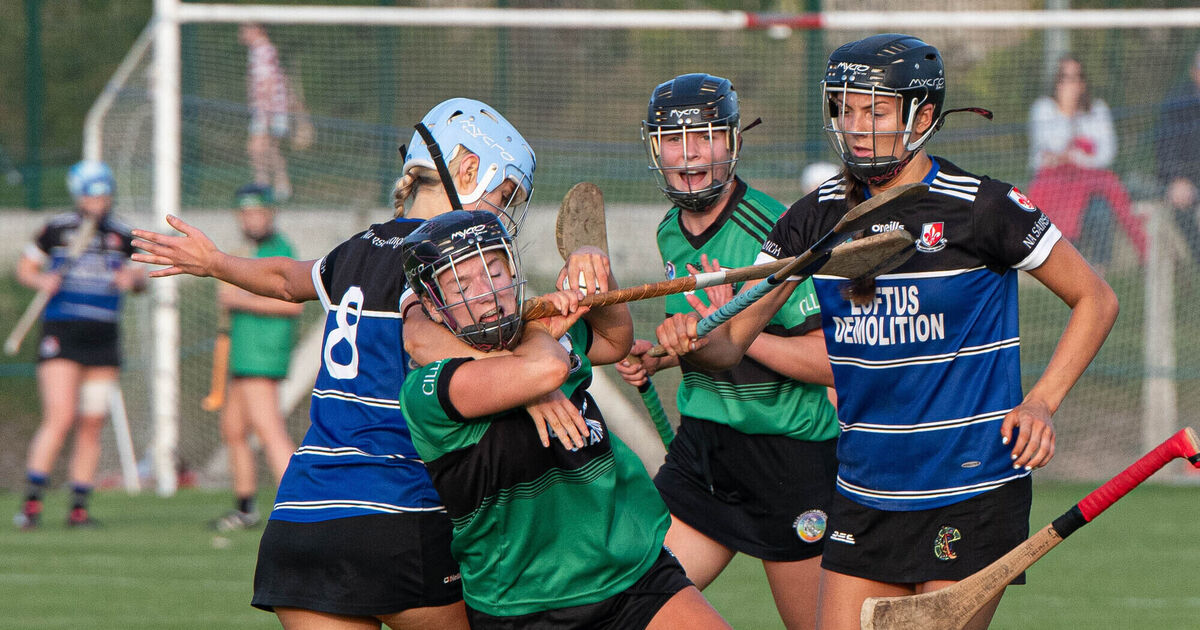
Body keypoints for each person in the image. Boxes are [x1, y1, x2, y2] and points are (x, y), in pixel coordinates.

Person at [653, 34, 1119, 630]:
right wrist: (696, 335)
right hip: (864, 491)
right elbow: (731, 343)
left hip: (969, 488)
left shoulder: (982, 207)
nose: (855, 127)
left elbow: (1095, 299)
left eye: (874, 111)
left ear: (922, 116)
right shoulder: (814, 219)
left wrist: (1042, 402)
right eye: (846, 109)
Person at [131, 98, 536, 629]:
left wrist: (215, 264)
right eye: (504, 195)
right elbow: (475, 360)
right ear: (466, 168)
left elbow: (285, 281)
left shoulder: (357, 248)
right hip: (398, 511)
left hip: (302, 520)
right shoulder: (448, 263)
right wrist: (541, 378)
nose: (502, 214)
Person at [398, 209, 730, 629]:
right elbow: (544, 372)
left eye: (495, 273)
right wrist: (539, 330)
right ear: (432, 303)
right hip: (526, 605)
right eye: (461, 285)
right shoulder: (431, 388)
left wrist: (595, 268)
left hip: (634, 573)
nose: (486, 293)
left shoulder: (548, 340)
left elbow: (615, 339)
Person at [613, 72, 839, 630]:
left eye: (705, 137)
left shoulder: (777, 231)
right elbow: (696, 335)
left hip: (786, 458)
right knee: (629, 604)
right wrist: (660, 353)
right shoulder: (670, 230)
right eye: (672, 139)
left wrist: (739, 327)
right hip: (704, 451)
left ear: (733, 142)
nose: (688, 157)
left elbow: (831, 360)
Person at [13, 160, 146, 529]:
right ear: (80, 196)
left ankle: (78, 507)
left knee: (92, 421)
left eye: (104, 194)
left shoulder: (121, 235)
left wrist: (131, 280)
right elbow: (24, 268)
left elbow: (142, 278)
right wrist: (43, 282)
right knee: (60, 417)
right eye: (93, 194)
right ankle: (32, 503)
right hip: (63, 333)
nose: (100, 202)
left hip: (103, 337)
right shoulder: (57, 230)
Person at [211, 183, 302, 532]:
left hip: (263, 356)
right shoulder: (247, 251)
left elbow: (291, 304)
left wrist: (237, 300)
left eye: (257, 213)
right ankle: (246, 508)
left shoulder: (281, 250)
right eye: (245, 214)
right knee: (233, 430)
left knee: (269, 431)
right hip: (242, 354)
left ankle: (299, 506)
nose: (251, 220)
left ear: (270, 214)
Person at [1027, 55, 1146, 273]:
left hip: (1090, 181)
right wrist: (1068, 113)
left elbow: (1106, 153)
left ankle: (1101, 266)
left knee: (1100, 209)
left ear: (1083, 82)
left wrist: (1075, 158)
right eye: (1064, 77)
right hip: (1053, 182)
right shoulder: (1043, 109)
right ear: (1056, 81)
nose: (1070, 84)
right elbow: (1050, 145)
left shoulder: (1097, 109)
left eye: (1075, 77)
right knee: (1063, 212)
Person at [239, 23, 306, 201]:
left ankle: (267, 185)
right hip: (266, 108)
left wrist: (266, 112)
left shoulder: (263, 50)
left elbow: (268, 81)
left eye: (245, 28)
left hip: (269, 109)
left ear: (257, 30)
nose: (241, 32)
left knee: (257, 147)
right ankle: (277, 186)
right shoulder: (257, 51)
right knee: (268, 149)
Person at [1155, 46, 1200, 264]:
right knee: (1181, 204)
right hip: (1185, 179)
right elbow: (1165, 147)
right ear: (1194, 72)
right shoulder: (1177, 102)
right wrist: (1177, 178)